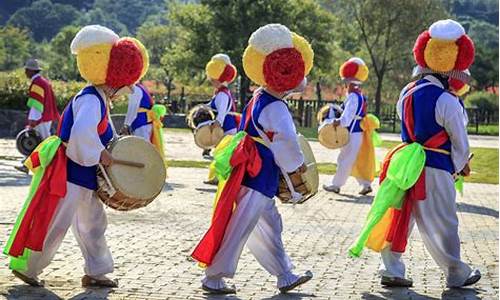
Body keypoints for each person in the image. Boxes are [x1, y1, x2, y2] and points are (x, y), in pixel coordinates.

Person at [3, 25, 149, 288]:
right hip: (71, 172)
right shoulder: (91, 99)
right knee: (57, 222)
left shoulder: (98, 98)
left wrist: (105, 149)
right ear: (113, 78)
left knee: (92, 224)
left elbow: (96, 135)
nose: (121, 92)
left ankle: (97, 270)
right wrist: (101, 154)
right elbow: (82, 134)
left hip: (82, 172)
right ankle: (29, 267)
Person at [351, 19, 480, 288]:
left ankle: (392, 269)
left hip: (404, 162)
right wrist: (459, 167)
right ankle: (456, 272)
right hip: (434, 165)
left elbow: (406, 123)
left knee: (400, 214)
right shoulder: (447, 100)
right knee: (443, 221)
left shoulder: (406, 92)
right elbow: (461, 141)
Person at [191, 24, 314, 295]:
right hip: (259, 174)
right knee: (242, 226)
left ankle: (284, 274)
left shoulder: (259, 95)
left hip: (254, 171)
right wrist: (296, 169)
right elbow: (286, 142)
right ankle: (213, 277)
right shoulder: (276, 107)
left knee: (269, 225)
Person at [323, 57, 374, 195]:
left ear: (349, 83)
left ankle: (336, 185)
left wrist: (337, 122)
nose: (345, 86)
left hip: (352, 132)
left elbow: (348, 117)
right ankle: (366, 185)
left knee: (345, 159)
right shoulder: (360, 95)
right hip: (358, 131)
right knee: (354, 159)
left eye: (345, 83)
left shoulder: (353, 97)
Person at [14, 59, 60, 174]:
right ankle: (27, 165)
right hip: (47, 116)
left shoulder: (37, 83)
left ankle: (53, 166)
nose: (25, 72)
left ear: (31, 70)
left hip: (41, 117)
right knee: (39, 142)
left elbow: (36, 103)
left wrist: (33, 119)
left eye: (26, 70)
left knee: (42, 142)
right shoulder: (43, 81)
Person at [204, 54, 239, 185]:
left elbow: (222, 113)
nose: (211, 81)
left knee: (222, 154)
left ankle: (220, 178)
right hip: (227, 128)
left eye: (213, 79)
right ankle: (217, 177)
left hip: (226, 129)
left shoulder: (222, 94)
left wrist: (216, 125)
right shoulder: (221, 93)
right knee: (221, 154)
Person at [121, 83, 167, 165]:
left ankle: (146, 168)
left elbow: (132, 109)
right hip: (144, 121)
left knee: (143, 148)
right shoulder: (140, 87)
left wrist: (126, 124)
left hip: (141, 123)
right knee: (144, 147)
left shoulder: (134, 89)